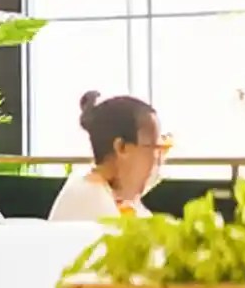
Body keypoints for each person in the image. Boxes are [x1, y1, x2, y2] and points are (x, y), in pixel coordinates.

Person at [49, 90, 168, 221]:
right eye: (155, 148)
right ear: (121, 147)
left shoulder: (104, 192)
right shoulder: (93, 200)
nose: (159, 160)